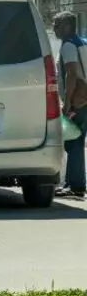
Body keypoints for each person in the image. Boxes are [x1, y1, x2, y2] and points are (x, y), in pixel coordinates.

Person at [53, 11, 87, 199]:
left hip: (76, 102)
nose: (54, 29)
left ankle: (75, 185)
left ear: (67, 26)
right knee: (78, 141)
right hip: (84, 99)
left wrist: (67, 103)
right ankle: (75, 184)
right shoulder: (81, 42)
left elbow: (71, 74)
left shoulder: (68, 46)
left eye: (57, 25)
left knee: (73, 142)